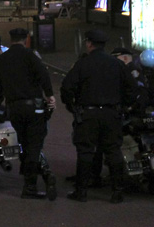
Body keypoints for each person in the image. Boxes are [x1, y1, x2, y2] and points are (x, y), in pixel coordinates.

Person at [60, 30, 137, 203]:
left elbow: (66, 87)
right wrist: (123, 105)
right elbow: (131, 88)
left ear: (89, 44)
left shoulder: (83, 64)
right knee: (113, 151)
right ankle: (117, 191)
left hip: (88, 114)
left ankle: (81, 191)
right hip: (112, 114)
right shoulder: (117, 64)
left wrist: (71, 106)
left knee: (85, 152)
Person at [0, 27, 57, 200]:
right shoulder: (31, 56)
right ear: (26, 39)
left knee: (22, 143)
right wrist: (50, 95)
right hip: (34, 108)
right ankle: (30, 185)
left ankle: (32, 178)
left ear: (11, 39)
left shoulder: (2, 59)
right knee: (34, 145)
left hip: (14, 108)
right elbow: (43, 75)